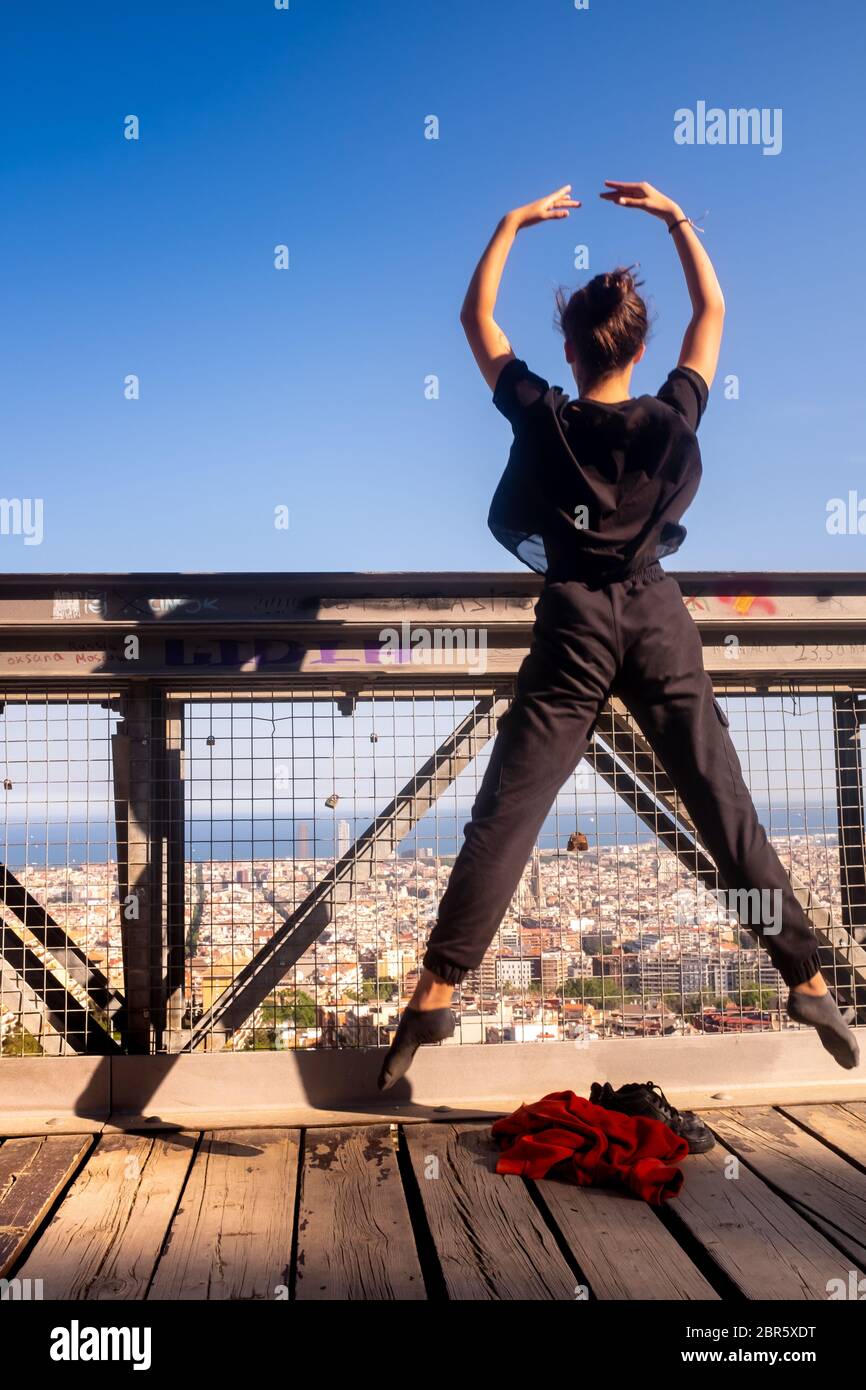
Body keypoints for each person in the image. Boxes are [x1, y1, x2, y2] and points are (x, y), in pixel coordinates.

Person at [378, 180, 859, 1090]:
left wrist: (510, 222)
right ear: (640, 346)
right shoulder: (673, 418)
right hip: (655, 617)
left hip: (571, 623)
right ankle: (807, 975)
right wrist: (677, 218)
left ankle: (433, 1000)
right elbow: (713, 308)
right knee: (724, 806)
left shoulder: (545, 417)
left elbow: (475, 316)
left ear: (567, 345)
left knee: (507, 815)